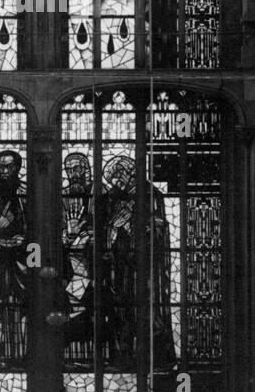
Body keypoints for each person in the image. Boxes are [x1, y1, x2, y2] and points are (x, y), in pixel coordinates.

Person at [102, 154, 175, 368]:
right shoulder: (115, 198)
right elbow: (108, 229)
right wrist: (114, 227)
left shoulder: (151, 194)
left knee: (148, 310)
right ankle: (123, 357)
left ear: (130, 172)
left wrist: (134, 225)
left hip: (146, 267)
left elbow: (158, 228)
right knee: (121, 309)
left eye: (118, 174)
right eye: (112, 177)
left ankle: (155, 359)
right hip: (121, 265)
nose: (115, 181)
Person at [0, 149, 27, 361]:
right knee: (0, 303)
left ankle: (24, 354)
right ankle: (3, 353)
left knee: (23, 304)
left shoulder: (26, 193)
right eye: (1, 167)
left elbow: (38, 226)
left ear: (17, 168)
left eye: (8, 167)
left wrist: (25, 239)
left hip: (24, 257)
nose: (4, 171)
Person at [61, 151, 94, 353]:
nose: (74, 173)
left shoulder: (98, 195)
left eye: (79, 168)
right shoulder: (62, 196)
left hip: (93, 259)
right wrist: (68, 234)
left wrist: (85, 234)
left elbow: (107, 226)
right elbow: (49, 230)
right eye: (70, 169)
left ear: (87, 170)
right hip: (65, 261)